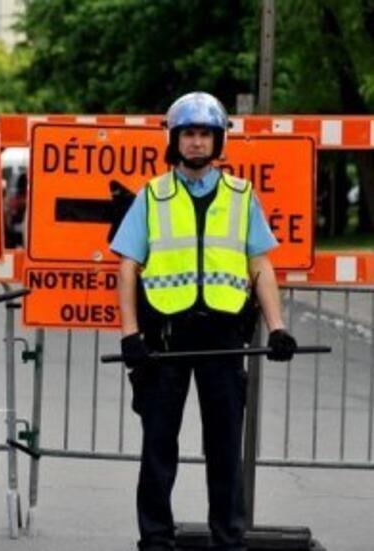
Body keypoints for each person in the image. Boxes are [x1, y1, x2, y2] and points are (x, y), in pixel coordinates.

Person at [110, 92, 299, 551]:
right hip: (166, 338)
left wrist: (277, 326)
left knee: (225, 448)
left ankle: (228, 540)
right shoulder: (153, 196)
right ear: (175, 140)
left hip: (223, 336)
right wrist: (130, 334)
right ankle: (156, 540)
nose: (196, 142)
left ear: (218, 141)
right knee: (159, 446)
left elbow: (260, 264)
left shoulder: (241, 196)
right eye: (189, 134)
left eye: (205, 134)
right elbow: (128, 267)